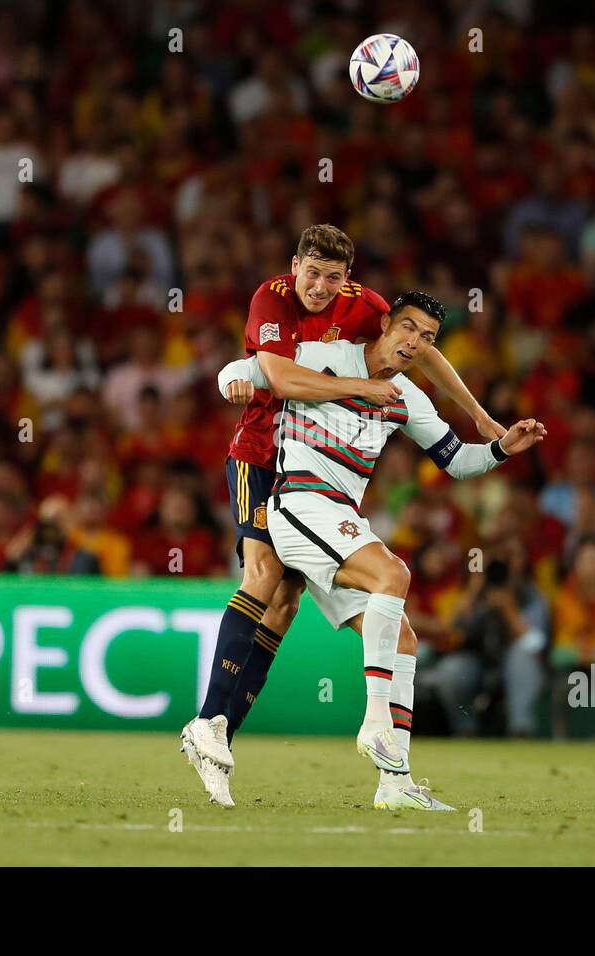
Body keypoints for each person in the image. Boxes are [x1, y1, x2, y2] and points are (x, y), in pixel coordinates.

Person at [179, 225, 504, 807]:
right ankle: (208, 721)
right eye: (313, 273)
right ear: (294, 265)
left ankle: (227, 734)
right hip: (261, 454)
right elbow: (271, 373)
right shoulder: (271, 300)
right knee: (262, 578)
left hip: (328, 492)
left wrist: (480, 418)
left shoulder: (374, 314)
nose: (321, 287)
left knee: (283, 606)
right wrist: (236, 372)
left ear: (349, 281)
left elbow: (422, 350)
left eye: (334, 277)